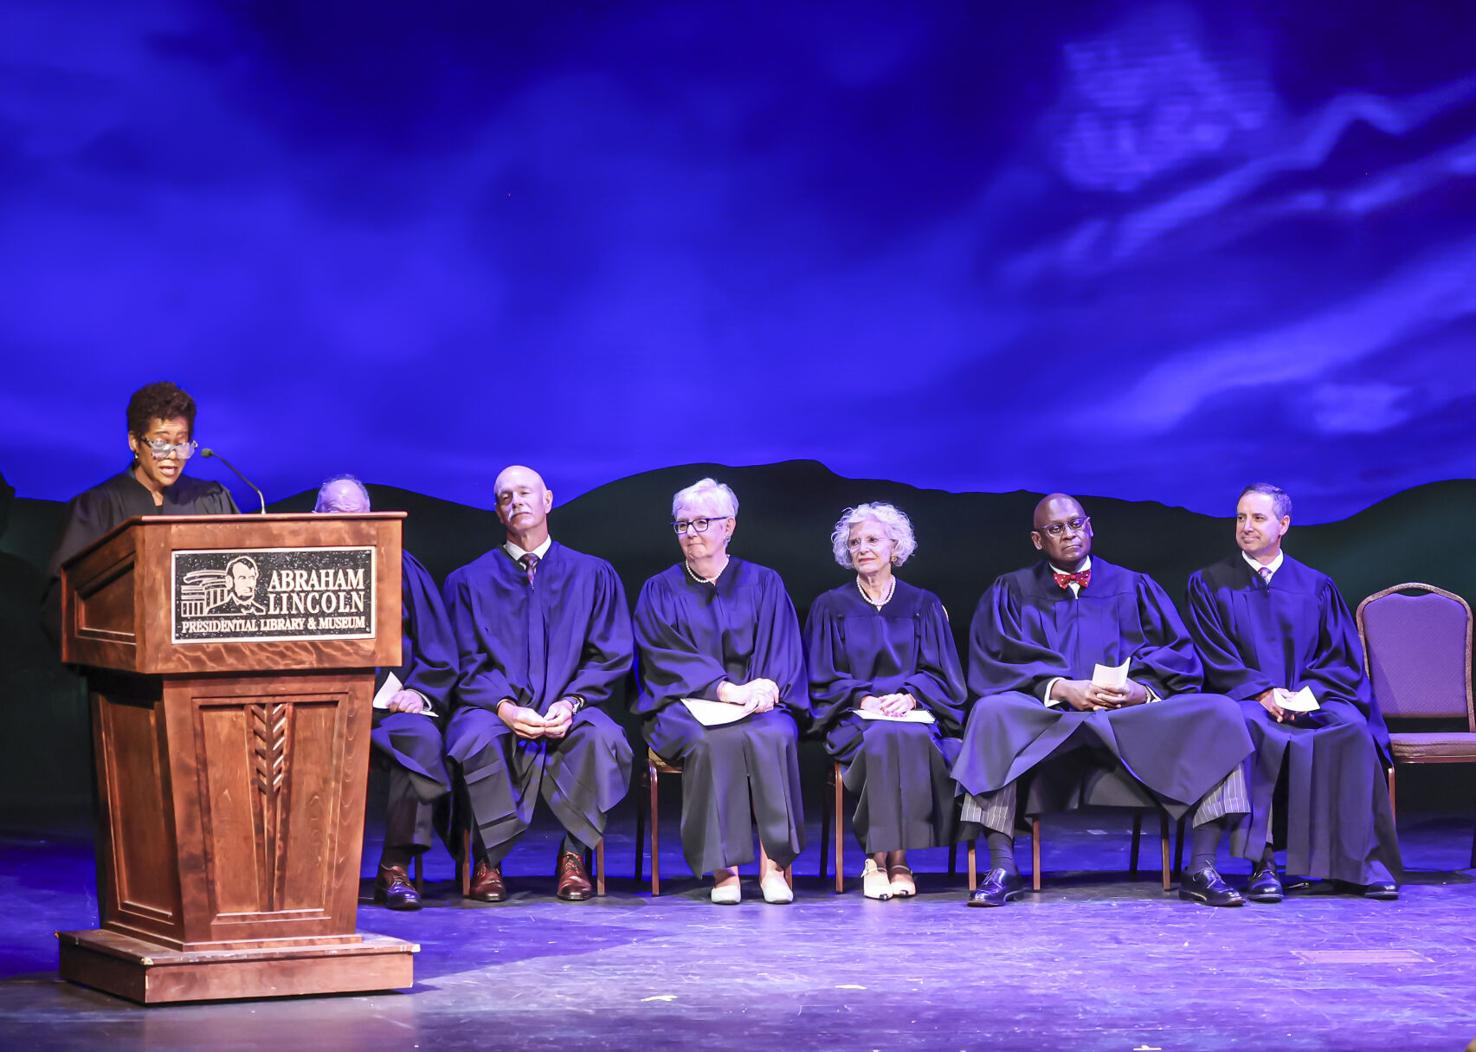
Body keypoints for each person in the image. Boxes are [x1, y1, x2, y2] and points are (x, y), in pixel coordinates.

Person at [954, 494, 1255, 908]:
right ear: (1038, 540)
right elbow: (993, 663)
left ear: (1090, 527)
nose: (1069, 534)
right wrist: (1061, 688)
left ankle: (1202, 867)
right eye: (1055, 528)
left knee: (1219, 712)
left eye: (1076, 524)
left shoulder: (1134, 586)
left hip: (1129, 718)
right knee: (990, 712)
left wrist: (1139, 691)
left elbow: (1179, 656)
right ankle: (1003, 867)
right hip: (1050, 719)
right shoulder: (1011, 591)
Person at [1185, 483, 1399, 900]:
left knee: (1352, 727)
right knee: (1249, 726)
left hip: (1310, 699)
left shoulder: (1316, 585)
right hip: (1247, 700)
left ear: (1283, 524)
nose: (1246, 526)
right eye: (1240, 517)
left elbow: (1339, 657)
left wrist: (1307, 695)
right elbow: (1211, 653)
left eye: (1257, 518)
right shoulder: (1209, 583)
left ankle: (1356, 865)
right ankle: (1262, 864)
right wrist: (1262, 692)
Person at [442, 465, 633, 902]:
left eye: (525, 493)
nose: (516, 502)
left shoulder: (592, 574)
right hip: (492, 707)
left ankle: (574, 855)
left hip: (570, 706)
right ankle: (488, 860)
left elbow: (609, 653)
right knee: (476, 739)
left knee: (601, 738)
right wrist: (505, 708)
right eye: (505, 497)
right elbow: (463, 659)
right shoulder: (467, 581)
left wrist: (570, 703)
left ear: (548, 499)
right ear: (497, 511)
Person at [633, 478, 809, 905]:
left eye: (701, 522)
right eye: (682, 525)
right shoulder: (659, 590)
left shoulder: (764, 582)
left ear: (728, 526)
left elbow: (782, 647)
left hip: (756, 705)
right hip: (683, 707)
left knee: (775, 733)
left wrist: (767, 688)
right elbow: (662, 658)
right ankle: (724, 870)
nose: (690, 533)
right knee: (714, 741)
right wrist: (723, 689)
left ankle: (773, 868)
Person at [806, 502, 965, 899]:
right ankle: (880, 860)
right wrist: (863, 698)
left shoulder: (923, 605)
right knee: (882, 738)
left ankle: (897, 860)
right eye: (854, 542)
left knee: (905, 736)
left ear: (895, 547)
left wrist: (911, 696)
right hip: (854, 719)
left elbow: (943, 675)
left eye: (873, 540)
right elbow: (820, 676)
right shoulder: (830, 607)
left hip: (911, 718)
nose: (862, 548)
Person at [314, 475, 456, 911]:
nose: (349, 524)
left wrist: (419, 691)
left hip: (386, 708)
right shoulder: (292, 567)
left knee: (421, 739)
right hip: (316, 707)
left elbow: (437, 648)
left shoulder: (401, 566)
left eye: (358, 516)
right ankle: (307, 874)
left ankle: (394, 868)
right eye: (336, 515)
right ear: (316, 516)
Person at [43, 381, 239, 644]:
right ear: (135, 442)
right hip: (123, 657)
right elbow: (62, 601)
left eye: (181, 444)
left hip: (205, 655)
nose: (173, 455)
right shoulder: (97, 507)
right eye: (161, 443)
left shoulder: (211, 500)